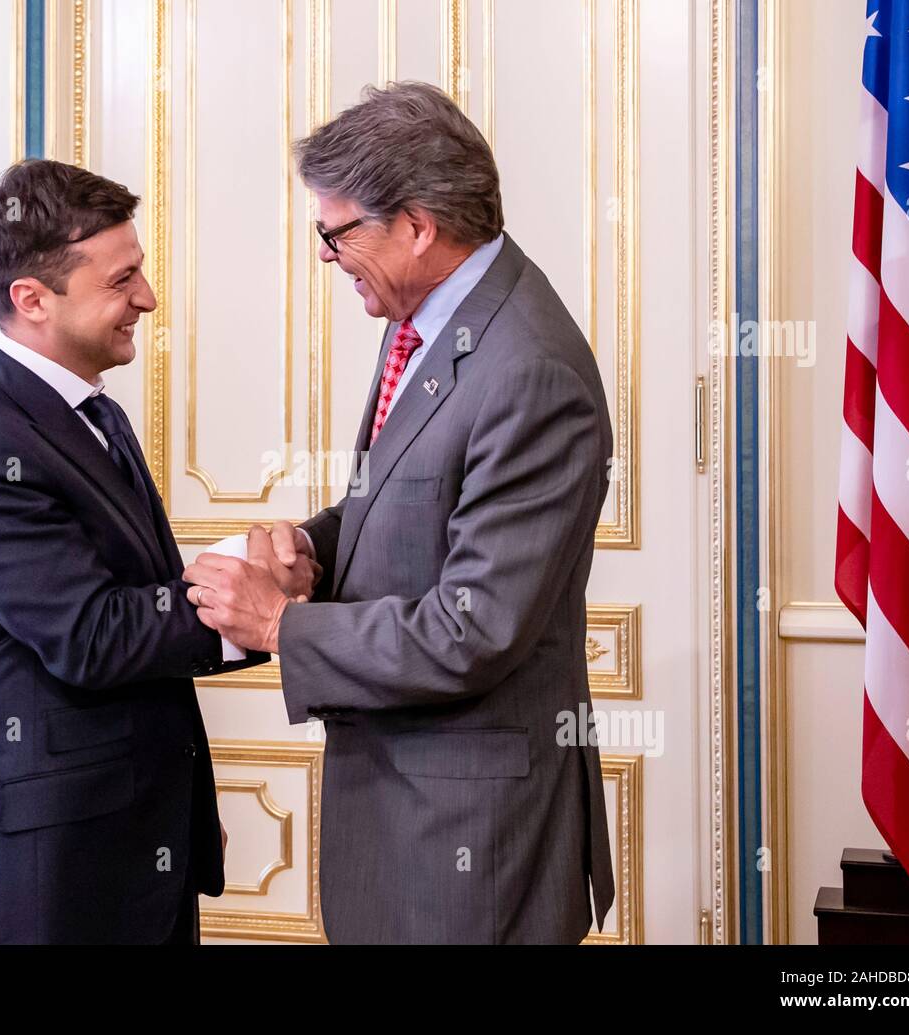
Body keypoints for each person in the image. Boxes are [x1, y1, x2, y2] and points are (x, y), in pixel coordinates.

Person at [184, 82, 617, 944]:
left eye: (337, 233)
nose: (325, 256)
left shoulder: (529, 372)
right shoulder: (426, 315)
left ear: (418, 226)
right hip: (405, 817)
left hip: (470, 841)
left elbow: (473, 629)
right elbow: (397, 501)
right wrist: (310, 545)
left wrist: (280, 626)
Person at [0, 159, 316, 944]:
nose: (148, 298)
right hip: (65, 862)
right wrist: (255, 594)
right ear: (31, 300)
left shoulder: (93, 412)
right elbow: (93, 635)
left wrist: (255, 574)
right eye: (122, 279)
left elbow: (147, 592)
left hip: (143, 834)